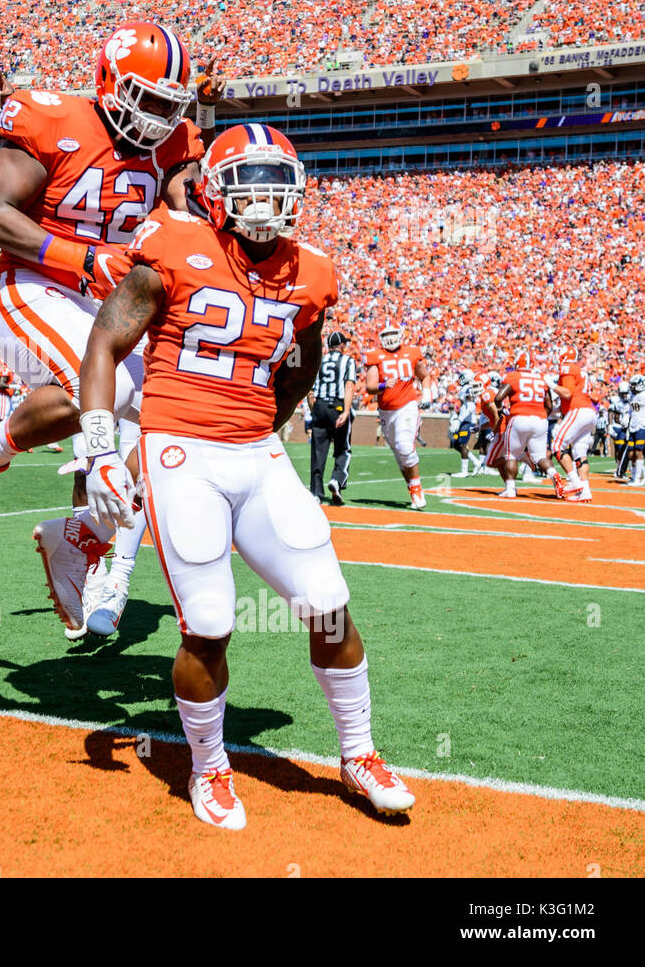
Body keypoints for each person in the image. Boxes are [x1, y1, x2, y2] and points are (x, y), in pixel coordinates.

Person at [75, 122, 414, 829]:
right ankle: (209, 765)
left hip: (255, 451)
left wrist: (264, 423)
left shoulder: (313, 271)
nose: (263, 204)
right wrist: (104, 446)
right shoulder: (174, 242)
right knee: (209, 623)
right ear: (214, 191)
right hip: (180, 453)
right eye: (247, 187)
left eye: (275, 187)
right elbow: (106, 338)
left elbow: (302, 363)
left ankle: (358, 753)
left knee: (328, 600)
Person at [0, 21, 222, 642]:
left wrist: (206, 177)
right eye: (143, 99)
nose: (153, 118)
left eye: (165, 105)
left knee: (179, 418)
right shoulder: (54, 120)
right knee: (106, 389)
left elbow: (186, 206)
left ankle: (81, 540)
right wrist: (83, 260)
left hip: (109, 294)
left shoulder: (172, 140)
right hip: (37, 281)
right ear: (108, 82)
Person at [364, 324, 430, 509]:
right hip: (386, 411)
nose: (391, 338)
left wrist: (427, 394)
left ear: (401, 334)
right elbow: (370, 387)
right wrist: (384, 385)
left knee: (404, 445)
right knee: (400, 455)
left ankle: (417, 490)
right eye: (387, 335)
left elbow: (424, 376)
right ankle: (413, 488)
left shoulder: (411, 352)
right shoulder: (375, 355)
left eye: (394, 334)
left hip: (407, 406)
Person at [492, 351, 555, 499]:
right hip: (540, 419)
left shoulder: (513, 376)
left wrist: (502, 410)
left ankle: (510, 489)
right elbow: (550, 406)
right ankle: (554, 475)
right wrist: (541, 416)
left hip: (519, 417)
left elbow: (498, 397)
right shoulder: (540, 378)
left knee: (511, 455)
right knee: (540, 455)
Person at [307, 331, 357, 504]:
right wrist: (345, 411)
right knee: (343, 448)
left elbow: (310, 391)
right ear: (342, 345)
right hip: (337, 405)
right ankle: (337, 479)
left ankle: (316, 493)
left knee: (317, 452)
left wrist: (315, 411)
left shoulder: (318, 361)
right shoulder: (348, 361)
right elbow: (349, 385)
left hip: (319, 405)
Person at [548, 348, 596, 502]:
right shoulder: (580, 370)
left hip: (578, 411)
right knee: (579, 452)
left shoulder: (567, 367)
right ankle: (585, 491)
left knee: (557, 445)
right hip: (589, 412)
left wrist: (550, 384)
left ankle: (574, 481)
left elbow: (567, 393)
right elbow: (569, 397)